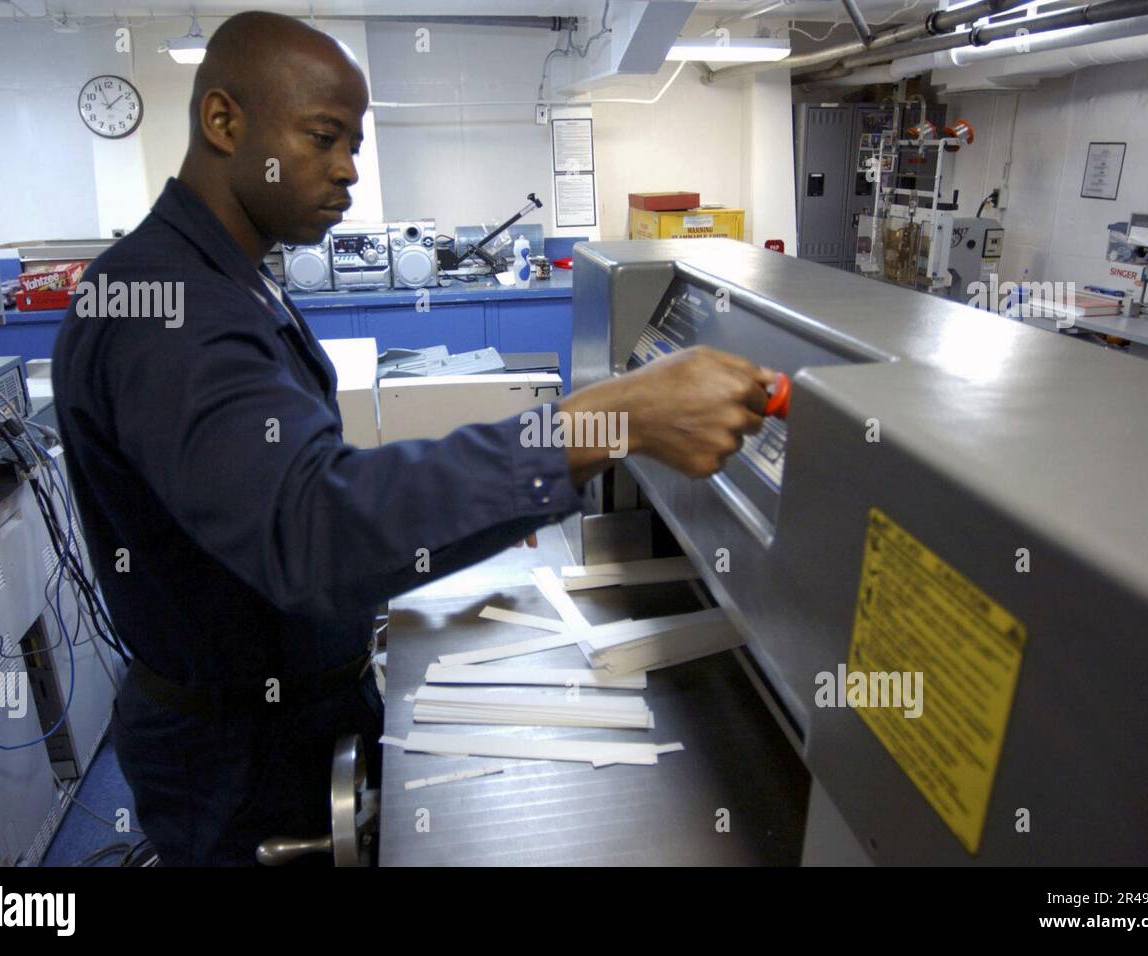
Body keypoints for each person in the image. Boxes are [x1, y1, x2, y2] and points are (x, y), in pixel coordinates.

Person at [52, 11, 776, 865]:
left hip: (297, 704)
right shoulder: (164, 306)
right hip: (239, 759)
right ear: (223, 121)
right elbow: (313, 524)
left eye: (355, 142)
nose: (350, 170)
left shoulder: (231, 278)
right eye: (324, 138)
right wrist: (608, 419)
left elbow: (302, 482)